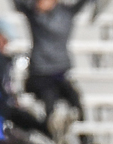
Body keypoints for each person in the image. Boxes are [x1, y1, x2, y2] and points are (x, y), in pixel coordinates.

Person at [14, 0, 92, 133]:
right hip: (39, 74)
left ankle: (83, 136)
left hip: (59, 72)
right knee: (50, 100)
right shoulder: (33, 14)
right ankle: (51, 134)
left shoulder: (66, 13)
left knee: (75, 100)